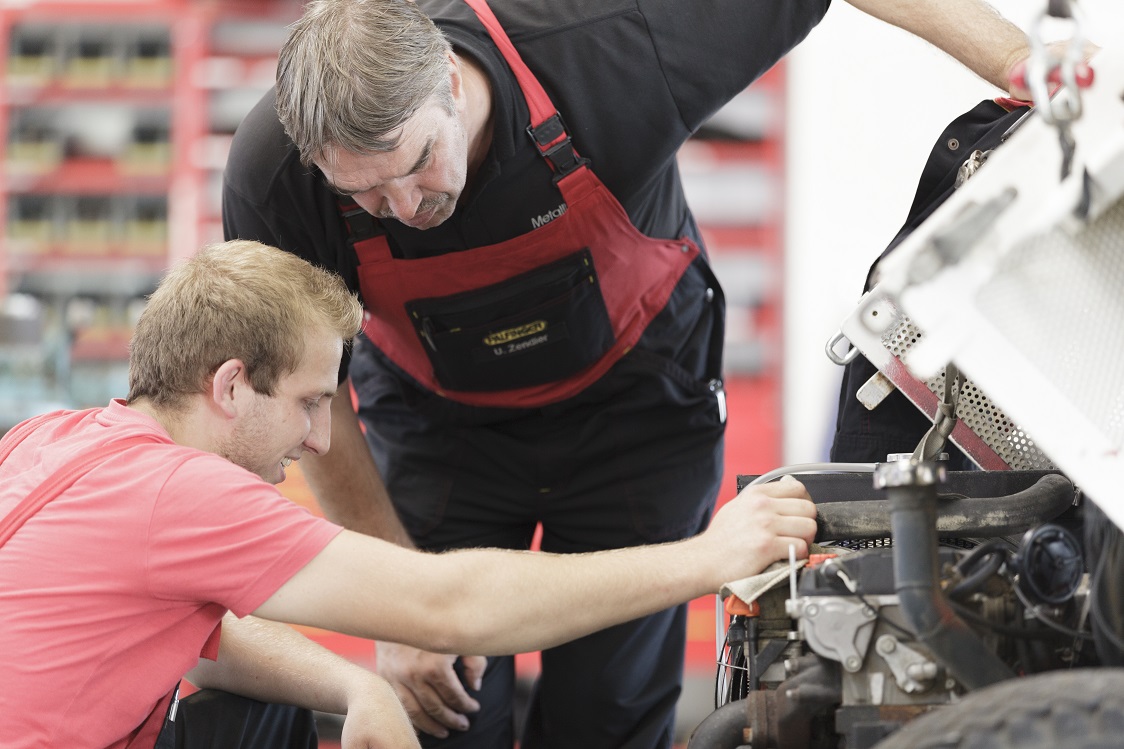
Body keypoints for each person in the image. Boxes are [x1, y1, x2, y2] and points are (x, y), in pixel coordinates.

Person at [221, 1, 1035, 746]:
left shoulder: (609, 46)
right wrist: (391, 605)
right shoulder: (273, 175)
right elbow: (302, 400)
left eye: (420, 160)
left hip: (638, 414)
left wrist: (1028, 65)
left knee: (606, 717)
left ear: (447, 79)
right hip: (442, 432)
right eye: (362, 193)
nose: (404, 207)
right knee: (442, 707)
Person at [0, 239, 818, 749]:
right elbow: (447, 604)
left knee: (255, 717)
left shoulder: (54, 440)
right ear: (230, 386)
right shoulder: (178, 494)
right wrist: (712, 554)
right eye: (311, 401)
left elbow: (199, 636)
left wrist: (358, 686)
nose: (320, 440)